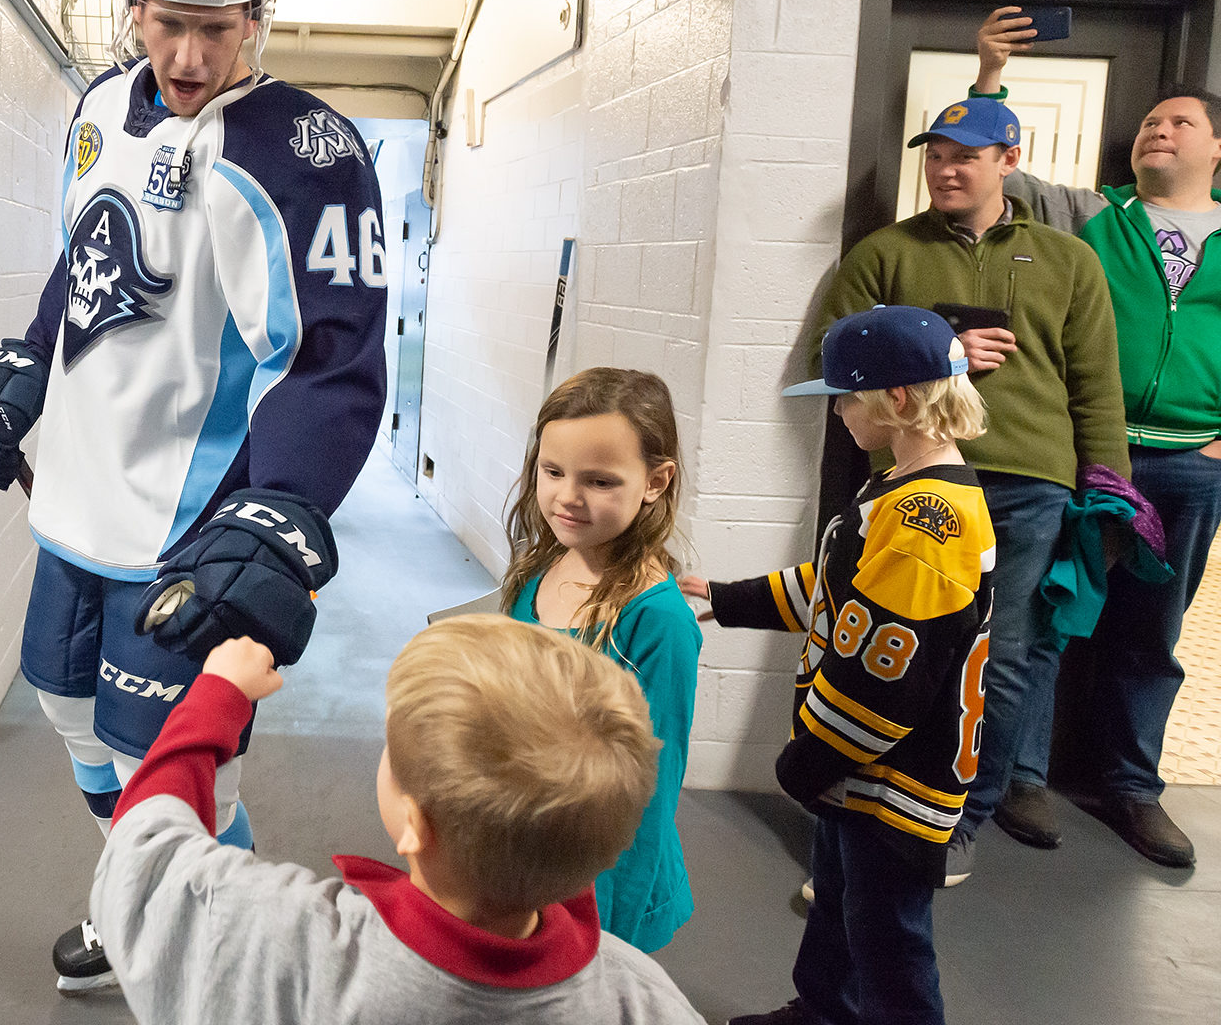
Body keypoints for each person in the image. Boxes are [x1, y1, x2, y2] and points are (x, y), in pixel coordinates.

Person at [0, 0, 388, 992]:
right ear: (132, 6)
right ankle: (134, 899)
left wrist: (282, 504)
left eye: (215, 28)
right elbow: (82, 266)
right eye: (169, 23)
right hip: (75, 511)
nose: (188, 56)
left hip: (189, 530)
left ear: (255, 19)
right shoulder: (99, 103)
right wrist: (22, 371)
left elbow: (332, 357)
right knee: (67, 715)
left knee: (176, 775)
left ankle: (226, 965)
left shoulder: (306, 151)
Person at [802, 93, 1128, 883]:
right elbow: (830, 354)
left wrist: (1113, 492)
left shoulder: (1069, 259)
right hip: (917, 479)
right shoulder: (886, 252)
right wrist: (933, 345)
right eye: (935, 154)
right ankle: (874, 806)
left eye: (965, 156)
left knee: (1006, 654)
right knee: (894, 641)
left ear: (1008, 163)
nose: (945, 169)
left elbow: (1095, 382)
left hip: (1031, 481)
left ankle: (959, 824)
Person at [90, 620, 706, 1025]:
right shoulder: (641, 1000)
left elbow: (146, 852)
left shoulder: (288, 936)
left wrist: (218, 695)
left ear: (413, 824)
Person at [685, 306, 996, 1025]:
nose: (838, 412)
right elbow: (839, 591)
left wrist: (811, 759)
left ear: (895, 398)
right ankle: (824, 1011)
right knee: (838, 904)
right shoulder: (900, 486)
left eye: (845, 397)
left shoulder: (929, 523)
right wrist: (726, 597)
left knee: (888, 938)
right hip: (859, 772)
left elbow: (888, 681)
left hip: (895, 776)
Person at [965, 7, 1217, 868]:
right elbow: (994, 179)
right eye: (1151, 120)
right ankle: (1023, 777)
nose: (1159, 129)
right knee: (1045, 614)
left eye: (1180, 121)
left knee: (1154, 631)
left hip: (1191, 464)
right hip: (1092, 454)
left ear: (1217, 149)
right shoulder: (1088, 214)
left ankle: (1133, 789)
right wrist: (991, 76)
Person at [497, 368, 700, 952]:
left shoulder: (657, 622)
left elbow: (649, 790)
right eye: (553, 471)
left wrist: (603, 931)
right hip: (529, 847)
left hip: (602, 878)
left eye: (600, 481)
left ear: (656, 482)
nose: (567, 496)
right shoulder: (536, 572)